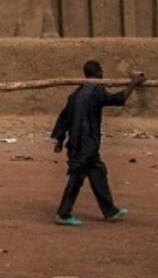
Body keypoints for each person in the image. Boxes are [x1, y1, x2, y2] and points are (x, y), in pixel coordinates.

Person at [50, 61, 146, 226]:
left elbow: (64, 117)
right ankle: (63, 214)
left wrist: (60, 140)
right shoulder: (96, 91)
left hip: (78, 142)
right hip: (86, 143)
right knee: (77, 177)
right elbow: (118, 99)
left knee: (97, 172)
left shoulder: (76, 93)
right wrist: (133, 83)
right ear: (99, 72)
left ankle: (110, 211)